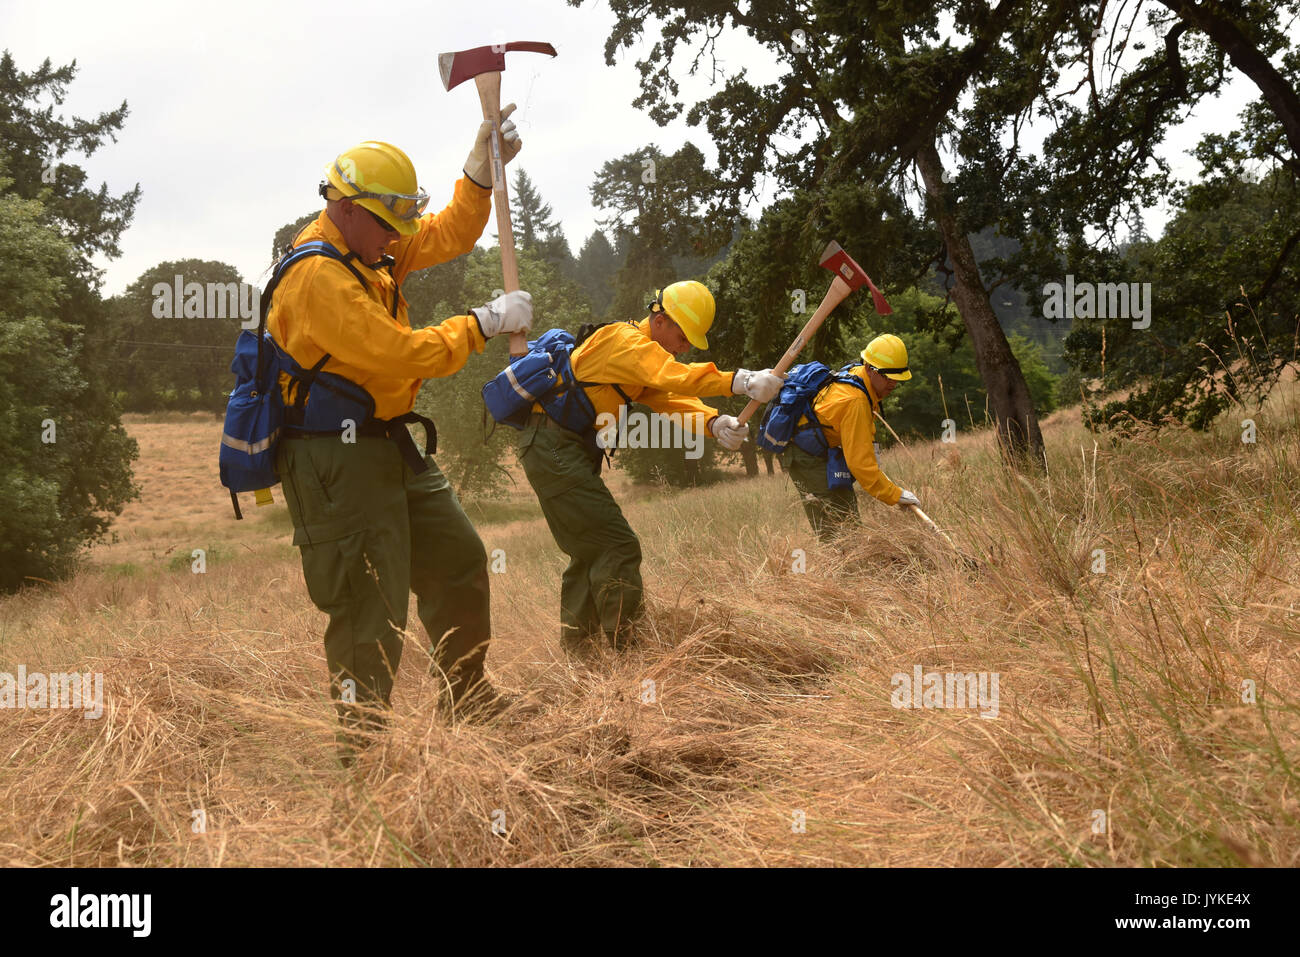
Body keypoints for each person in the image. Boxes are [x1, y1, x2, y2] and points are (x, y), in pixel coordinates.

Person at [266, 122, 533, 758]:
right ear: (343, 208)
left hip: (387, 442)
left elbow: (446, 233)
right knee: (369, 607)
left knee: (458, 558)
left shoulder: (370, 249)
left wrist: (478, 171)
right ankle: (365, 758)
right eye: (389, 224)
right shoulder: (317, 279)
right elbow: (399, 354)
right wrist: (484, 323)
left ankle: (467, 694)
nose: (398, 239)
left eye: (398, 226)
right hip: (332, 457)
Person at [517, 281, 782, 652]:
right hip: (553, 448)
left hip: (562, 450)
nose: (685, 347)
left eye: (691, 341)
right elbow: (672, 375)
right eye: (682, 335)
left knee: (590, 549)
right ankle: (627, 650)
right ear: (659, 319)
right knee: (618, 544)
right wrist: (740, 381)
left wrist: (712, 422)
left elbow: (669, 397)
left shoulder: (640, 356)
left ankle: (581, 654)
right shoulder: (623, 342)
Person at [784, 333, 921, 541]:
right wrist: (895, 495)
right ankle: (842, 569)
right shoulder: (855, 400)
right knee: (842, 528)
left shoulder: (860, 377)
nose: (892, 383)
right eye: (887, 376)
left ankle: (848, 564)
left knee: (845, 515)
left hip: (820, 450)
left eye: (897, 377)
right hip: (805, 458)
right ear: (869, 368)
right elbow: (860, 464)